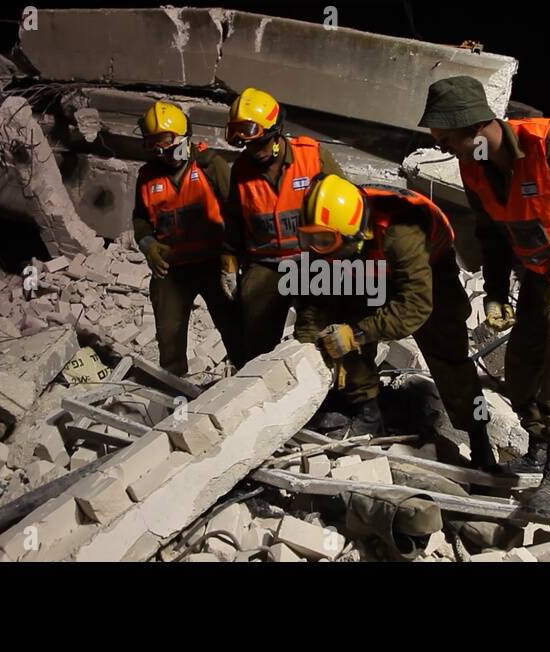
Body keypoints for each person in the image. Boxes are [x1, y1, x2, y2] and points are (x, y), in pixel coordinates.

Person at [419, 75, 550, 519]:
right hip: (540, 271)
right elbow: (491, 234)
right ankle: (536, 445)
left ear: (474, 125)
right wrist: (494, 292)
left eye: (448, 138)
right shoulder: (472, 165)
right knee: (521, 361)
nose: (445, 148)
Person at [294, 174, 494, 465]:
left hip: (430, 274)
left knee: (450, 359)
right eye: (312, 240)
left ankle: (480, 440)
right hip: (371, 263)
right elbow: (312, 297)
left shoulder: (403, 233)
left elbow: (414, 307)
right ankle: (367, 410)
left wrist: (358, 333)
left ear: (355, 236)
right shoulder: (327, 236)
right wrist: (308, 346)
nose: (317, 248)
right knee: (343, 324)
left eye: (325, 242)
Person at [222, 87, 344, 360]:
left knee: (313, 336)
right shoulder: (241, 171)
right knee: (256, 337)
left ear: (276, 132)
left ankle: (322, 392)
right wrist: (229, 260)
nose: (255, 152)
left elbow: (347, 204)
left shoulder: (312, 157)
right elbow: (233, 220)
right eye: (248, 146)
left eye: (260, 143)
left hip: (315, 261)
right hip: (267, 263)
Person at [132, 100, 245, 374]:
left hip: (213, 264)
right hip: (172, 270)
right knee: (169, 337)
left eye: (171, 148)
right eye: (159, 149)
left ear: (186, 137)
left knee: (234, 329)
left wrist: (234, 257)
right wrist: (149, 246)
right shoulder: (147, 177)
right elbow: (141, 220)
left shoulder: (210, 166)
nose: (167, 155)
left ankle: (245, 376)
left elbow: (238, 212)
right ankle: (175, 396)